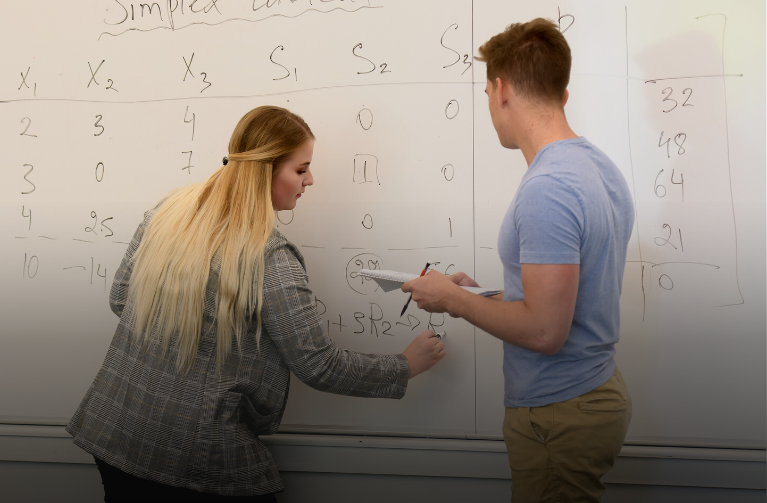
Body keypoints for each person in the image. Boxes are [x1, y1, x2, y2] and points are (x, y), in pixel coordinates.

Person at [66, 105, 445, 501]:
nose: (310, 180)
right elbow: (319, 365)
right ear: (265, 169)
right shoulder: (270, 258)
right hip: (196, 453)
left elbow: (122, 297)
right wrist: (404, 366)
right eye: (301, 170)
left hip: (114, 433)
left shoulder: (166, 213)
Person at [402, 18, 634, 502]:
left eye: (487, 92)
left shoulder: (549, 187)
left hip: (557, 413)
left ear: (501, 89)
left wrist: (450, 299)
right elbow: (569, 295)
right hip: (586, 396)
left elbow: (546, 332)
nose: (489, 105)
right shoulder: (596, 166)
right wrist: (480, 294)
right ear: (561, 93)